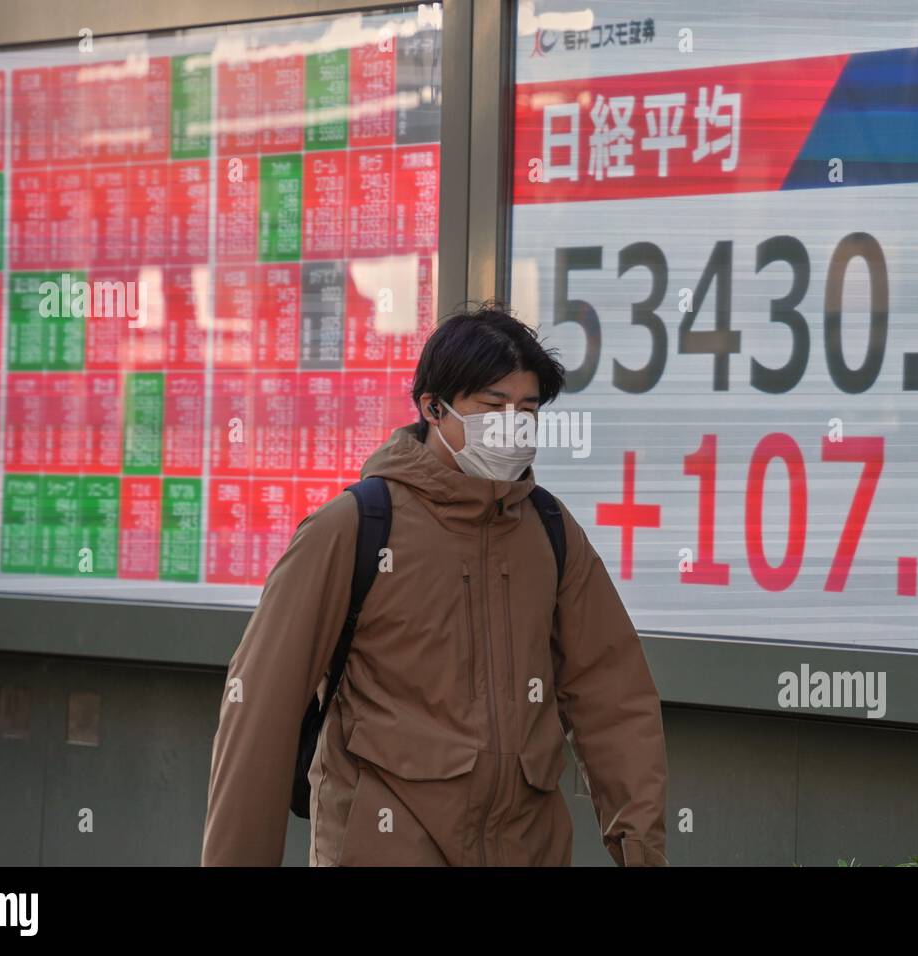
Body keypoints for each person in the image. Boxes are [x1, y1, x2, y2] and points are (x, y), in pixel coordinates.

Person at [200, 302, 669, 866]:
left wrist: (641, 851)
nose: (513, 424)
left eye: (527, 409)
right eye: (492, 406)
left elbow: (612, 695)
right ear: (433, 407)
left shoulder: (549, 531)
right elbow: (260, 708)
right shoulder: (356, 526)